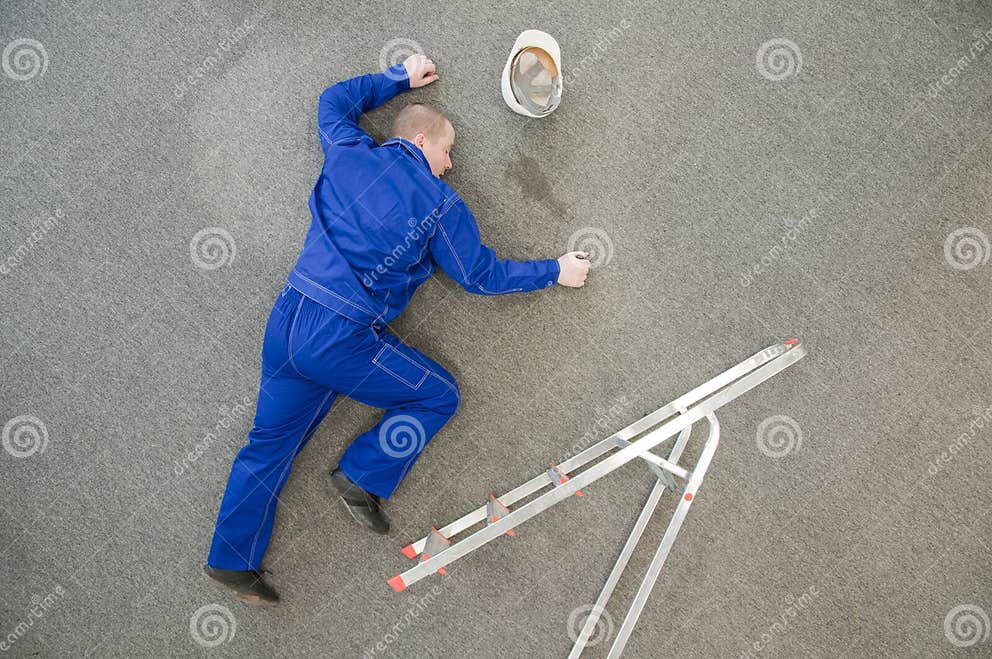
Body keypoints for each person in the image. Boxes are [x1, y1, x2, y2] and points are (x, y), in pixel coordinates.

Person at [202, 52, 591, 604]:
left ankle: (229, 561)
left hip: (288, 316)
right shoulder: (439, 204)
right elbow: (479, 276)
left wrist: (398, 78)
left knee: (267, 445)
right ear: (423, 141)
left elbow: (332, 102)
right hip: (341, 339)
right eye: (448, 151)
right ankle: (360, 476)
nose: (450, 165)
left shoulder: (348, 151)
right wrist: (555, 271)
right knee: (438, 396)